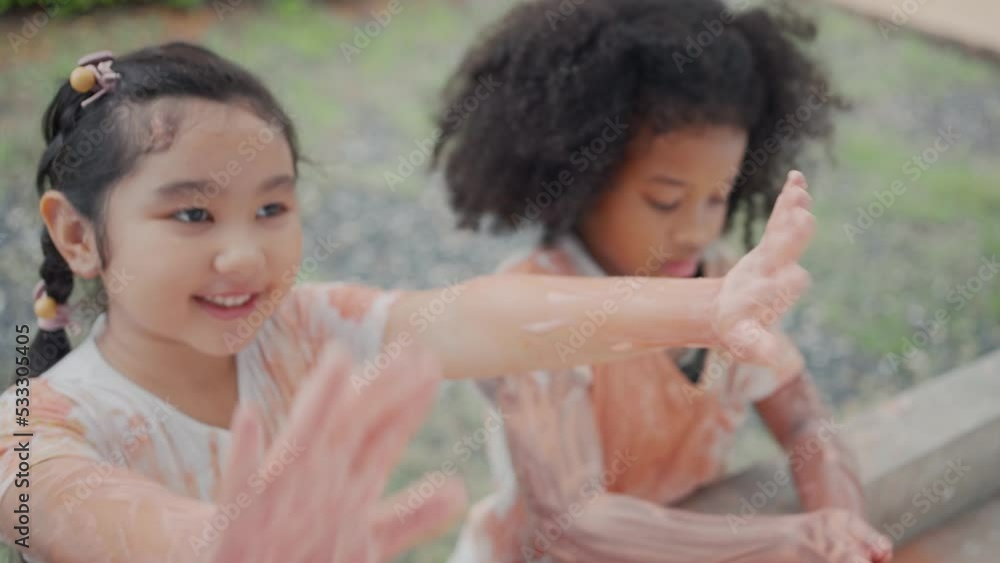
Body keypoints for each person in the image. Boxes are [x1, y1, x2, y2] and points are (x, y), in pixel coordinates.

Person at [0, 42, 812, 562]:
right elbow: (55, 502)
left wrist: (705, 308)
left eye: (273, 208)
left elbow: (466, 317)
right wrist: (222, 544)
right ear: (77, 235)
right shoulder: (33, 428)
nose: (245, 252)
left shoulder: (300, 327)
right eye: (191, 213)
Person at [431, 1, 893, 561]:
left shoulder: (722, 281)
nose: (697, 230)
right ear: (583, 178)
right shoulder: (536, 306)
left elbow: (802, 417)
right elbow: (574, 523)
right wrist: (787, 541)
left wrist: (843, 522)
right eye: (665, 200)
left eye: (717, 197)